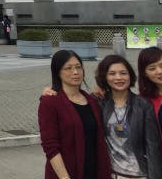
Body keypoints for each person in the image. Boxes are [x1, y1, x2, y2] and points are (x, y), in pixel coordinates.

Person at [38, 49, 111, 179]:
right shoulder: (50, 102)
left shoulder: (92, 101)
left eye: (78, 67)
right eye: (68, 68)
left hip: (94, 172)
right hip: (67, 174)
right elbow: (50, 146)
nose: (75, 72)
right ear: (58, 72)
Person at [95, 54, 162, 178]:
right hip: (111, 174)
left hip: (139, 175)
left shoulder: (143, 105)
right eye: (112, 73)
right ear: (105, 77)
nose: (118, 77)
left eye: (123, 73)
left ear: (130, 76)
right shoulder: (99, 103)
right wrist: (53, 90)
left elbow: (152, 146)